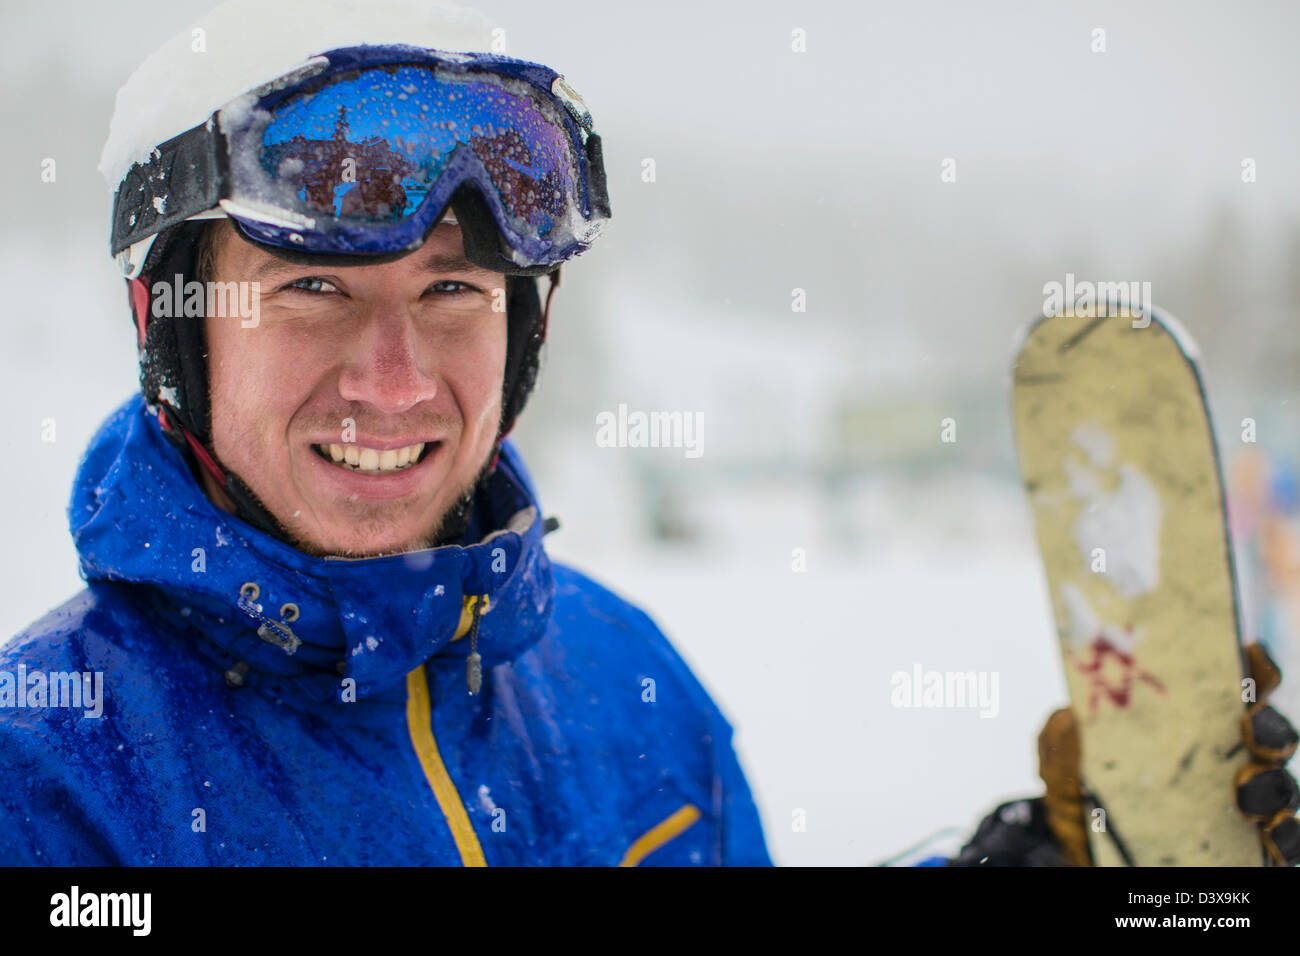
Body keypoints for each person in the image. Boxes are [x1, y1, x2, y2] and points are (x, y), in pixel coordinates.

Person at [0, 0, 771, 866]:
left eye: (452, 291)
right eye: (314, 289)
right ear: (172, 326)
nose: (394, 385)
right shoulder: (43, 782)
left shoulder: (625, 673)